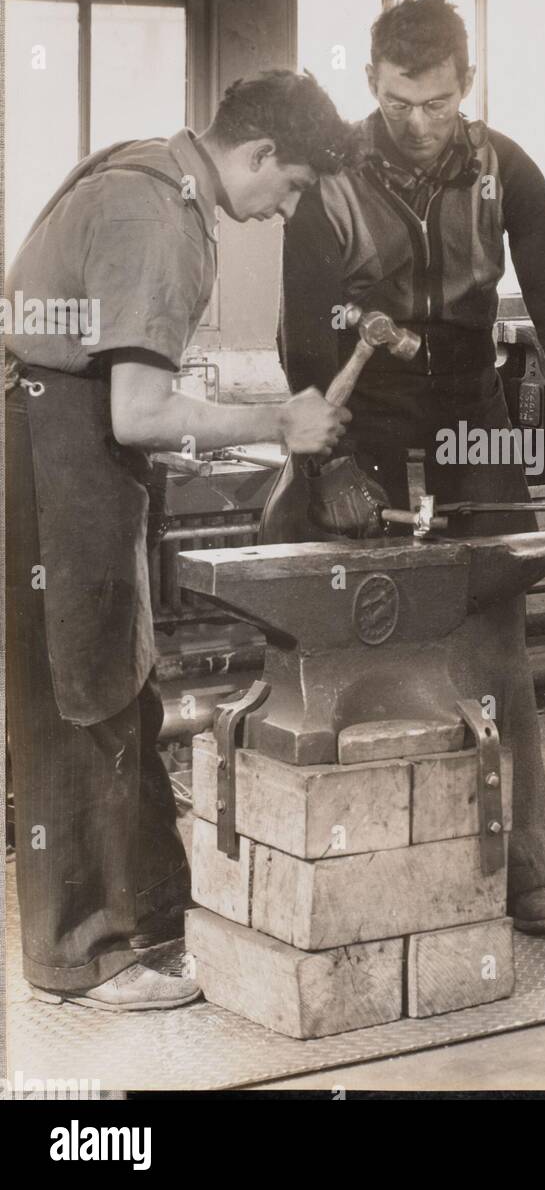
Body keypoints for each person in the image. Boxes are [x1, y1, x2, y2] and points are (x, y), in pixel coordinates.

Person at [267, 0, 545, 932]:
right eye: (399, 104)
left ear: (465, 86)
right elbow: (304, 340)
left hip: (474, 419)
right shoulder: (326, 183)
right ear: (371, 86)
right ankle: (363, 867)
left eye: (437, 103)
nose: (420, 125)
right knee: (339, 631)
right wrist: (327, 467)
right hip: (364, 420)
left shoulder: (505, 169)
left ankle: (523, 869)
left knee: (495, 641)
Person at [4, 70, 352, 1009]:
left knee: (117, 679)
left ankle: (146, 923)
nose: (284, 211)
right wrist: (277, 421)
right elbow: (138, 412)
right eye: (288, 189)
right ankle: (89, 953)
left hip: (58, 435)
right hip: (56, 442)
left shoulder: (148, 170)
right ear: (259, 153)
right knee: (85, 693)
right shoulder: (156, 216)